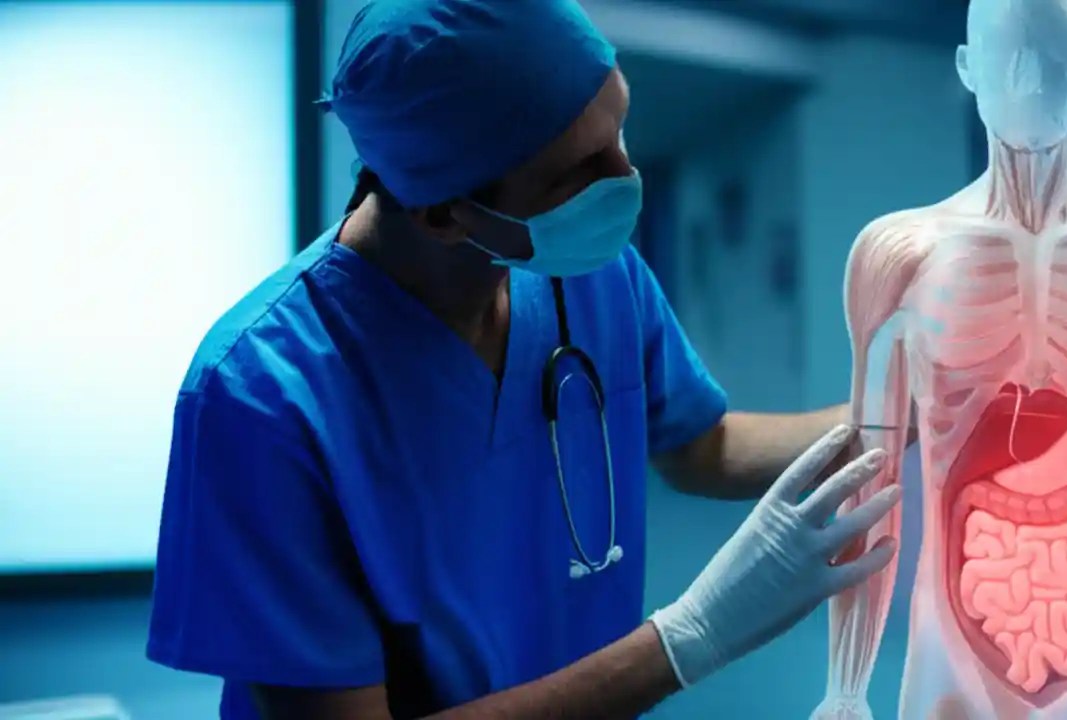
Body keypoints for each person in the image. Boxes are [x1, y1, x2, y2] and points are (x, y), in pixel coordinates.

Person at [146, 2, 907, 718]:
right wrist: (694, 634)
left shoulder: (594, 276)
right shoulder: (259, 398)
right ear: (443, 213)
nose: (625, 178)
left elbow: (702, 445)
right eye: (580, 171)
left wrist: (905, 410)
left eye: (619, 130)